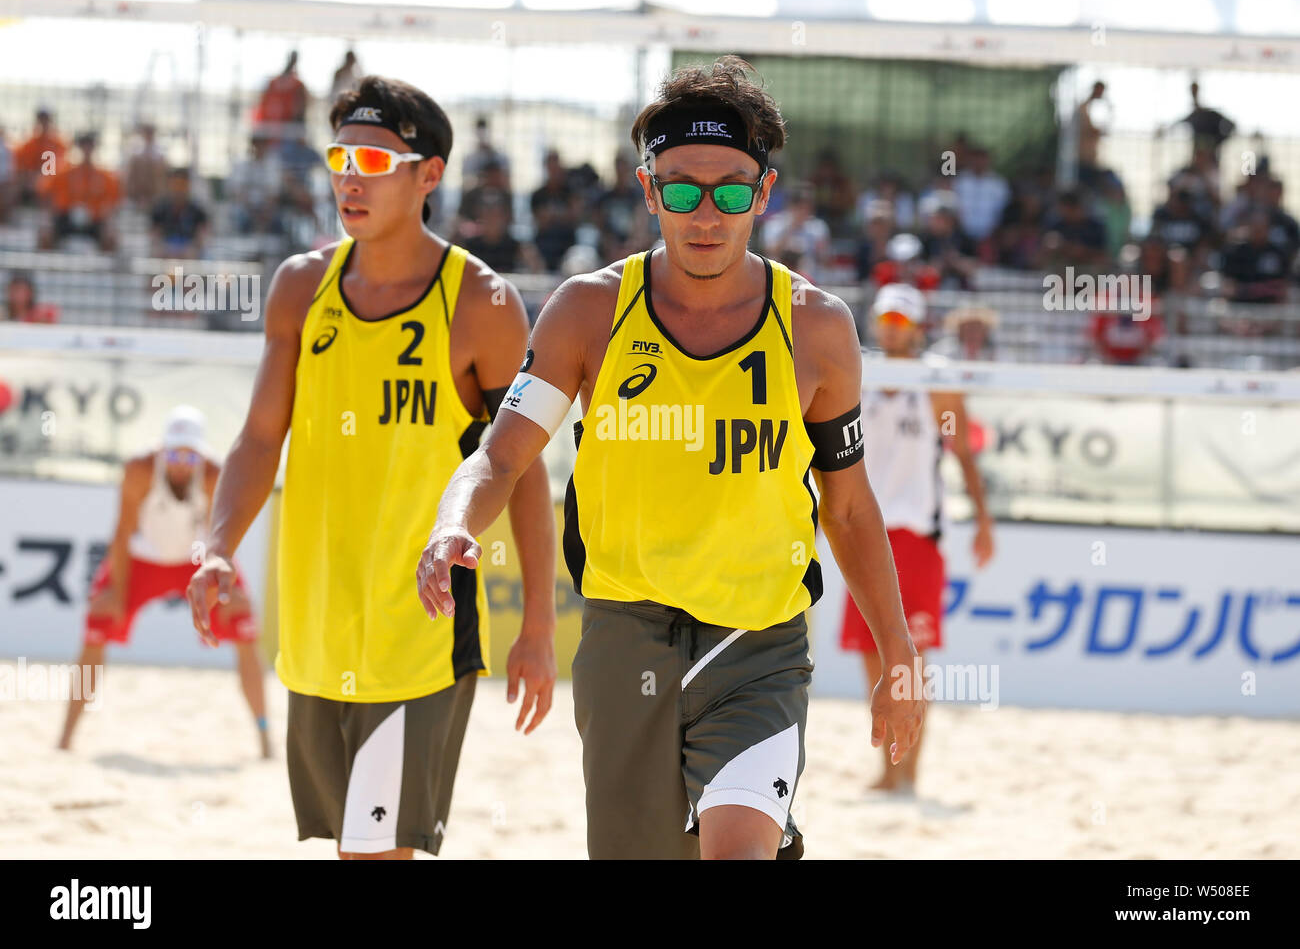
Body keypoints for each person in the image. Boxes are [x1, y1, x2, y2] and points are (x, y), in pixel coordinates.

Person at [417, 55, 926, 860]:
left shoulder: (817, 329)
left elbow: (851, 506)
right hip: (626, 636)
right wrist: (453, 524)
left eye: (730, 190)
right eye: (683, 189)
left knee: (738, 851)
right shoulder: (589, 311)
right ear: (650, 189)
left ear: (763, 193)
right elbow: (502, 454)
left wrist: (897, 648)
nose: (706, 212)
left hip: (758, 640)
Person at [186, 75, 557, 860]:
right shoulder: (300, 286)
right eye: (339, 156)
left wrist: (538, 623)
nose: (349, 175)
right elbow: (259, 439)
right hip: (318, 628)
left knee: (371, 853)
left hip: (421, 630)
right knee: (349, 848)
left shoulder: (480, 302)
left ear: (430, 174)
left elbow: (519, 466)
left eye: (374, 159)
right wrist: (218, 544)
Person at [842, 283, 994, 794]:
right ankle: (888, 769)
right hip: (864, 532)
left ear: (918, 327)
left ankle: (909, 772)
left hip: (916, 535)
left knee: (911, 658)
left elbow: (964, 454)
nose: (891, 328)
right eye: (886, 319)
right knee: (870, 654)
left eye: (902, 322)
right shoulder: (856, 374)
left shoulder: (935, 381)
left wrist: (983, 520)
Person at [58, 407, 269, 757]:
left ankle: (265, 738)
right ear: (161, 450)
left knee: (244, 626)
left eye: (189, 454)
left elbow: (225, 534)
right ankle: (65, 737)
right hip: (143, 559)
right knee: (96, 626)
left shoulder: (215, 474)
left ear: (201, 453)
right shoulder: (139, 469)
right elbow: (123, 532)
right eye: (173, 453)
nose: (181, 462)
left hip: (197, 561)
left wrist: (232, 588)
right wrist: (113, 591)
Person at [39, 131, 120, 252]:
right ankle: (46, 264)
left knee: (110, 237)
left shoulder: (105, 175)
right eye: (84, 145)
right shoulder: (64, 172)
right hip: (66, 217)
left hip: (94, 219)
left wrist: (107, 219)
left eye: (90, 145)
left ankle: (106, 267)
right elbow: (45, 191)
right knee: (46, 234)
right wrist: (51, 215)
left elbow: (114, 201)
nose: (87, 149)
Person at [150, 166, 209, 258]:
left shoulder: (198, 212)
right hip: (165, 257)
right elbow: (155, 238)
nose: (178, 191)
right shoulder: (160, 210)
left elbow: (202, 239)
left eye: (182, 185)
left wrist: (192, 249)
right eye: (175, 185)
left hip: (189, 259)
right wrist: (165, 250)